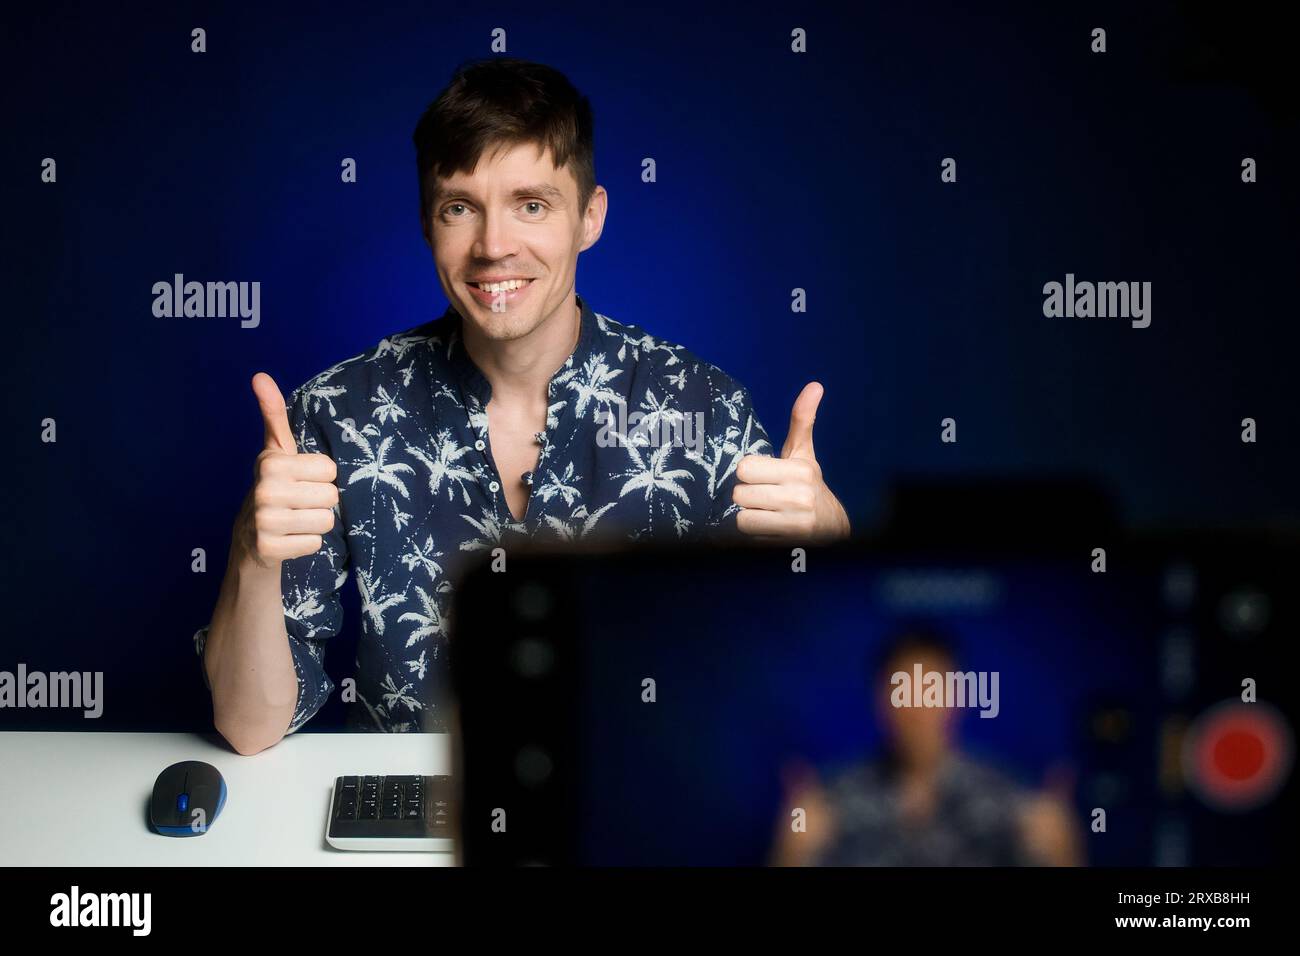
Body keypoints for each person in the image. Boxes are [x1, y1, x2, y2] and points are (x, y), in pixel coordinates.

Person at [195, 58, 851, 754]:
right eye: (460, 207)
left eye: (531, 205)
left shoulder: (698, 407)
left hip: (629, 810)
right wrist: (250, 555)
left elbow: (799, 687)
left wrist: (832, 544)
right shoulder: (340, 411)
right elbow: (250, 726)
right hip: (413, 825)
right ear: (426, 224)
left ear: (589, 218)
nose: (494, 246)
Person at [772, 626, 1082, 866]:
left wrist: (1060, 852)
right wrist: (792, 851)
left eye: (931, 690)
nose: (917, 709)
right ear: (881, 701)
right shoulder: (831, 807)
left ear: (957, 696)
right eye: (901, 690)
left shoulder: (1012, 805)